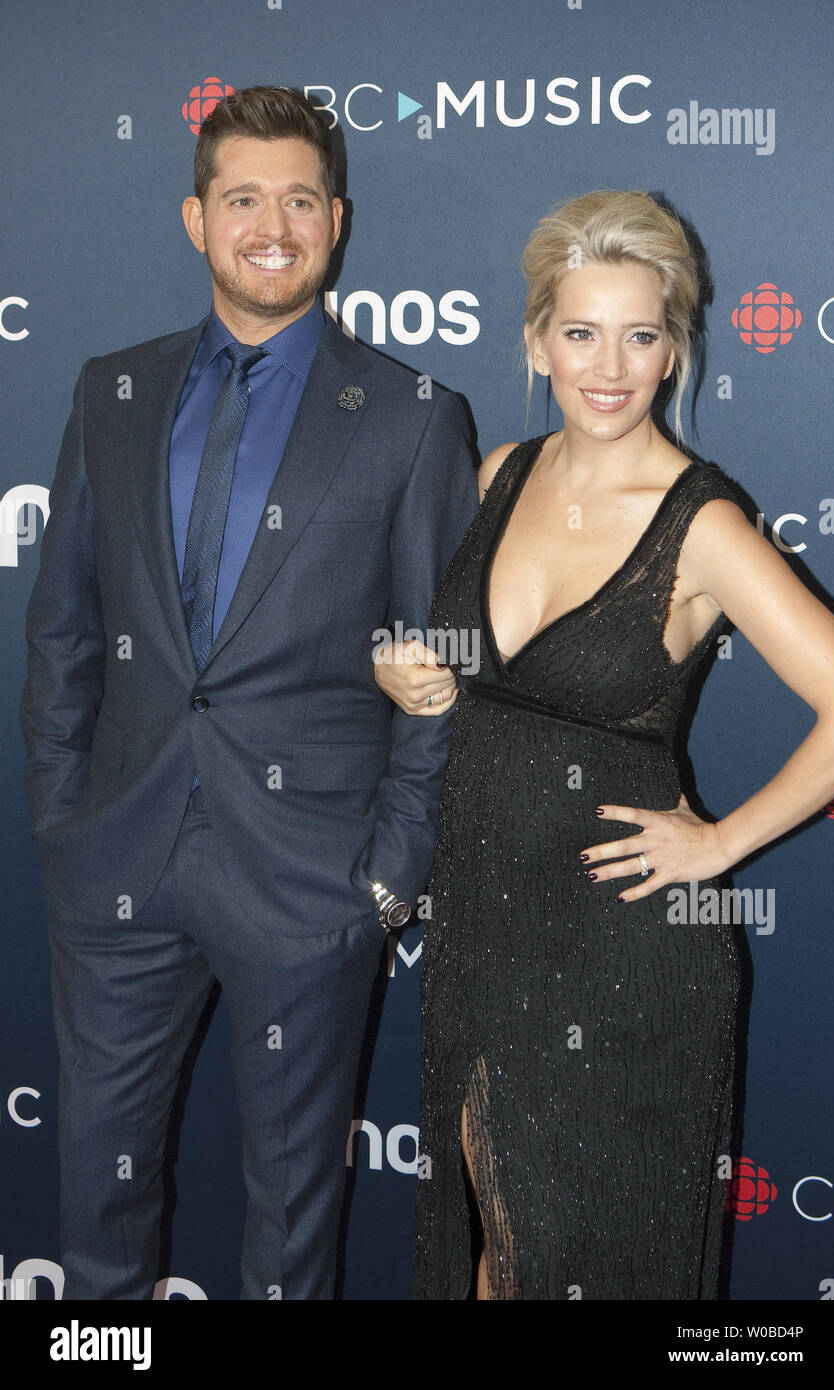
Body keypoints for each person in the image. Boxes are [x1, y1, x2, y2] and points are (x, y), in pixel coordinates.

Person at [19, 85, 477, 1300]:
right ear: (194, 218)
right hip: (116, 859)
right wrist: (65, 816)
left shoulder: (411, 418)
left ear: (336, 219)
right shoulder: (110, 395)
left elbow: (444, 662)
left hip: (308, 879)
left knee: (292, 1220)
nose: (269, 224)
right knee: (95, 1202)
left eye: (297, 198)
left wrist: (387, 873)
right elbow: (64, 627)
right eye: (241, 199)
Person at [373, 189, 834, 1300]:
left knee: (583, 1267)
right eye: (581, 331)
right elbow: (464, 657)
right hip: (485, 934)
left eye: (641, 334)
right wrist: (397, 665)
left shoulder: (704, 523)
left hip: (625, 959)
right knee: (494, 1250)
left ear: (675, 349)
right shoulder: (498, 476)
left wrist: (719, 842)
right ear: (536, 338)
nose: (610, 364)